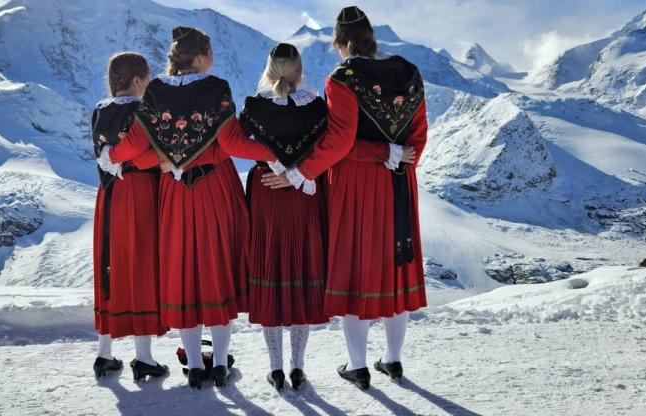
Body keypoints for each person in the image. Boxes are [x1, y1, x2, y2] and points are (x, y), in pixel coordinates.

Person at [263, 6, 428, 390]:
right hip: (400, 181)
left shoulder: (343, 78)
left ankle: (358, 365)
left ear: (339, 43)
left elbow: (340, 142)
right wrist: (398, 158)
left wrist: (300, 173)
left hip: (357, 183)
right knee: (394, 266)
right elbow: (418, 135)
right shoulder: (409, 71)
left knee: (356, 269)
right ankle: (394, 360)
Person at [108, 27, 275, 389]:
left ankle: (195, 366)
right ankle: (220, 363)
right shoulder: (216, 87)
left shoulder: (155, 91)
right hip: (215, 188)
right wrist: (275, 153)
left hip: (176, 192)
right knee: (218, 271)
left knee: (184, 273)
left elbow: (135, 143)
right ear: (200, 55)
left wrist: (112, 157)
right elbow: (232, 142)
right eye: (210, 50)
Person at [240, 43, 330, 392]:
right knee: (300, 271)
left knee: (271, 272)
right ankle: (297, 367)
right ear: (298, 71)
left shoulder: (253, 106)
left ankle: (275, 368)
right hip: (304, 190)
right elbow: (328, 147)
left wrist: (271, 158)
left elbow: (232, 141)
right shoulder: (316, 106)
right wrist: (296, 169)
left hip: (265, 189)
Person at [91, 52, 170, 382]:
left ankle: (104, 353)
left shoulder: (99, 111)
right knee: (141, 266)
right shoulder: (143, 110)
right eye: (148, 77)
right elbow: (153, 155)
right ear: (137, 80)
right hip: (140, 194)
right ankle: (143, 357)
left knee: (112, 265)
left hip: (109, 194)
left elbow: (102, 155)